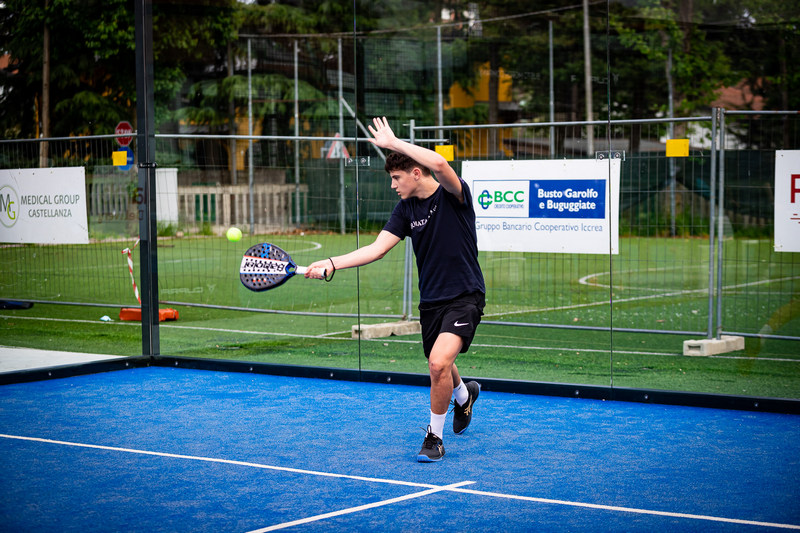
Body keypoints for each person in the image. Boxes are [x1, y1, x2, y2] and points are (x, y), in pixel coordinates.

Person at [305, 116, 486, 462]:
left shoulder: (453, 195)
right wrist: (330, 263)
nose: (393, 185)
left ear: (415, 173)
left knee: (437, 363)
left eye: (396, 177)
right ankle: (464, 397)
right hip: (432, 301)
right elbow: (375, 249)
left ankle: (434, 437)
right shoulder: (405, 209)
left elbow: (439, 162)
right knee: (440, 364)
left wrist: (393, 143)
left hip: (465, 295)